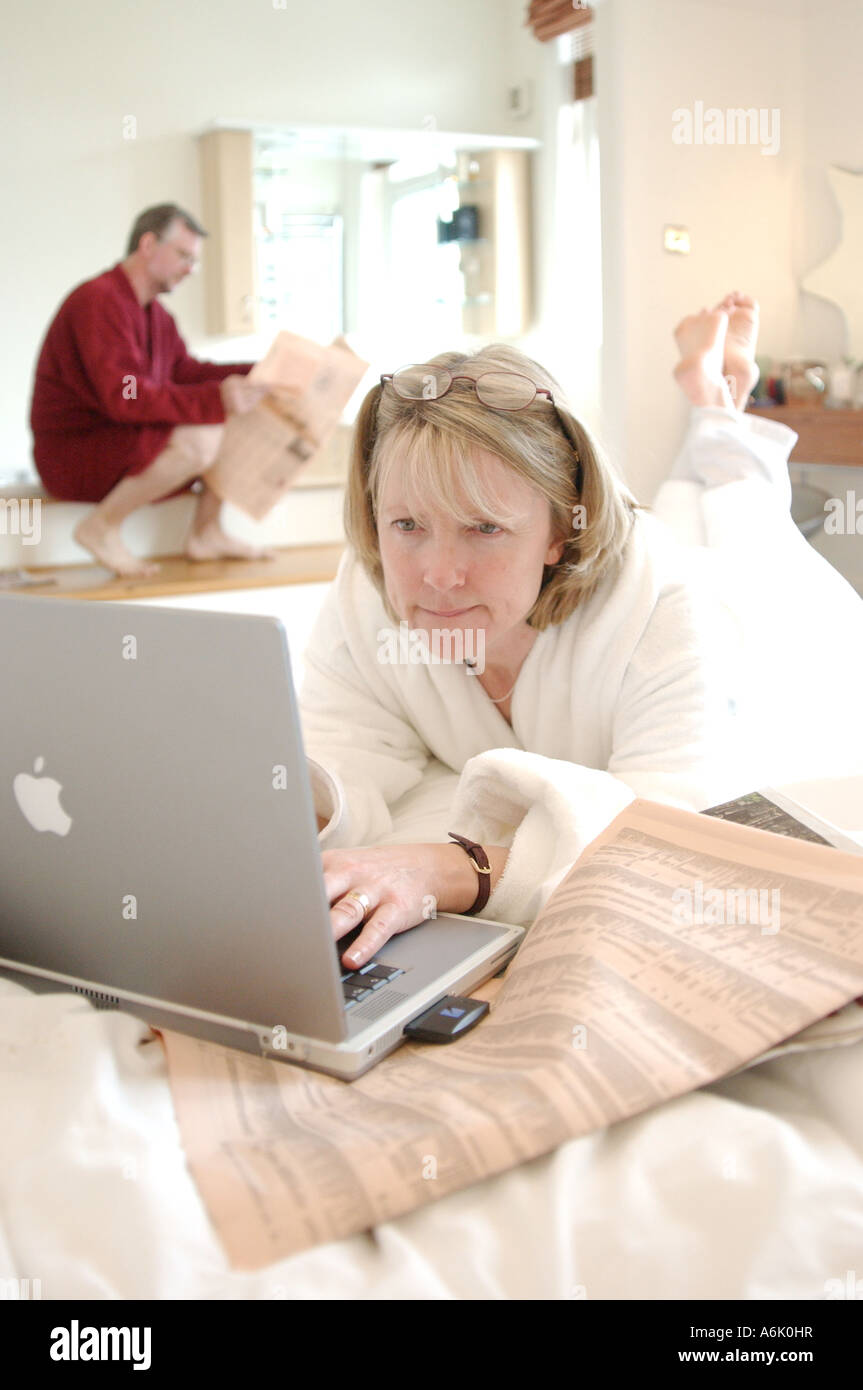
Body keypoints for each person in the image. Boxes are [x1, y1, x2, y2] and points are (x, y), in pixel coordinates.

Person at [299, 291, 840, 973]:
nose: (435, 574)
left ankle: (716, 392)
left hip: (752, 619)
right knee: (680, 504)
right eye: (406, 524)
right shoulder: (367, 590)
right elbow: (342, 745)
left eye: (483, 527)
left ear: (561, 529)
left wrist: (456, 868)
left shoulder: (667, 610)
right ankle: (707, 394)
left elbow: (673, 828)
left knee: (738, 517)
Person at [29, 203, 274, 578]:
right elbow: (125, 396)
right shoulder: (97, 301)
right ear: (147, 244)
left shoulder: (157, 316)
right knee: (202, 435)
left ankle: (206, 532)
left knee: (236, 417)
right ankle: (101, 527)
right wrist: (217, 398)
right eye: (183, 256)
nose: (190, 269)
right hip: (74, 452)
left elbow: (186, 373)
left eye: (193, 261)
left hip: (116, 441)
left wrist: (261, 370)